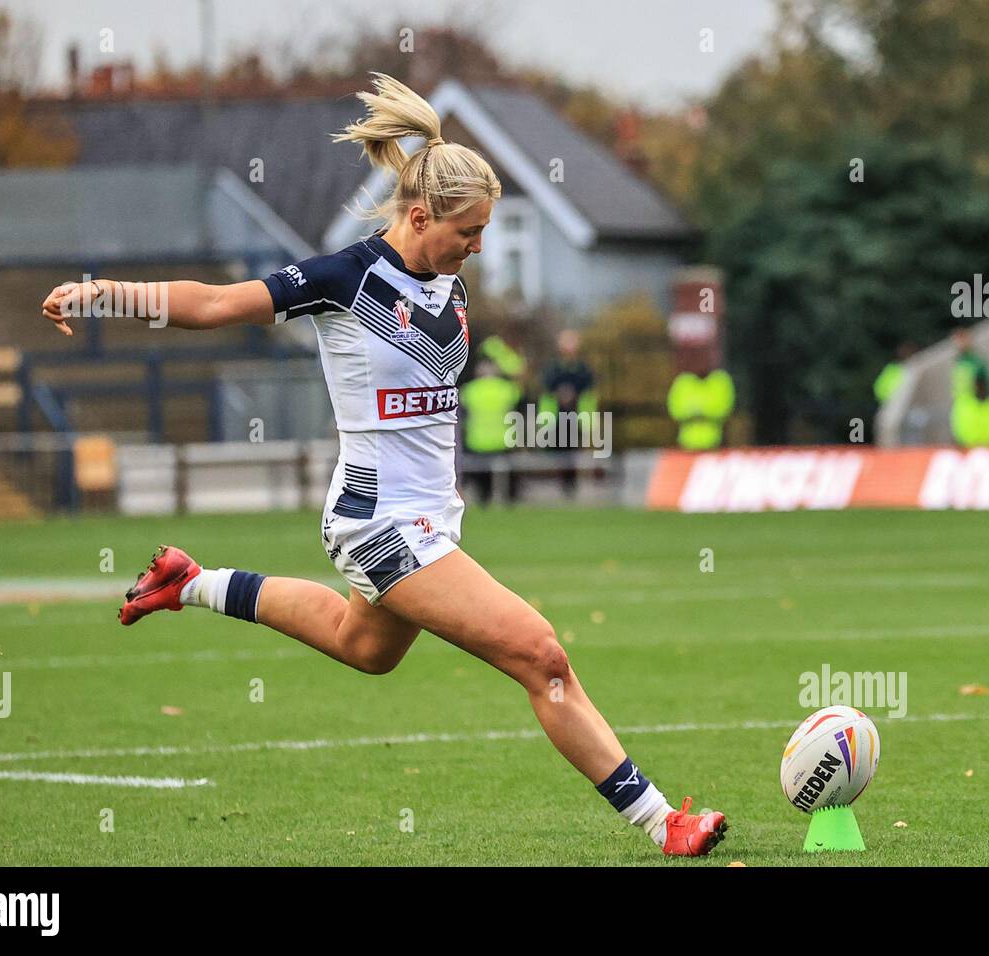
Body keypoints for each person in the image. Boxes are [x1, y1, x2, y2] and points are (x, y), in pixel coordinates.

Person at [39, 73, 726, 857]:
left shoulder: (448, 281)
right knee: (541, 655)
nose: (478, 246)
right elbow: (217, 304)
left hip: (429, 521)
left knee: (363, 647)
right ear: (420, 216)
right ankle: (663, 822)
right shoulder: (345, 279)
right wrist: (103, 294)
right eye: (469, 231)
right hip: (381, 524)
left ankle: (189, 582)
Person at [539, 329, 597, 498]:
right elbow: (547, 393)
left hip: (576, 419)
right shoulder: (553, 369)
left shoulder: (583, 370)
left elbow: (588, 396)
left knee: (574, 453)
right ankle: (564, 486)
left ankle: (571, 487)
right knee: (558, 454)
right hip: (556, 419)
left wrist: (588, 425)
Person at [459, 358, 522, 505]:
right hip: (502, 440)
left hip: (477, 441)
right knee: (506, 477)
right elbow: (518, 405)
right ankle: (507, 501)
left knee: (481, 481)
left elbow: (462, 413)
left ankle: (484, 501)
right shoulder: (507, 388)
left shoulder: (469, 390)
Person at [667, 366, 734, 450]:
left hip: (714, 443)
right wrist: (704, 413)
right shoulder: (683, 381)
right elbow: (675, 411)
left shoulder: (721, 380)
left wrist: (695, 413)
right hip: (686, 443)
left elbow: (724, 410)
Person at [950, 327, 989, 401]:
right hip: (974, 403)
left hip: (975, 403)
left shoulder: (973, 361)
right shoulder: (964, 363)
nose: (960, 343)